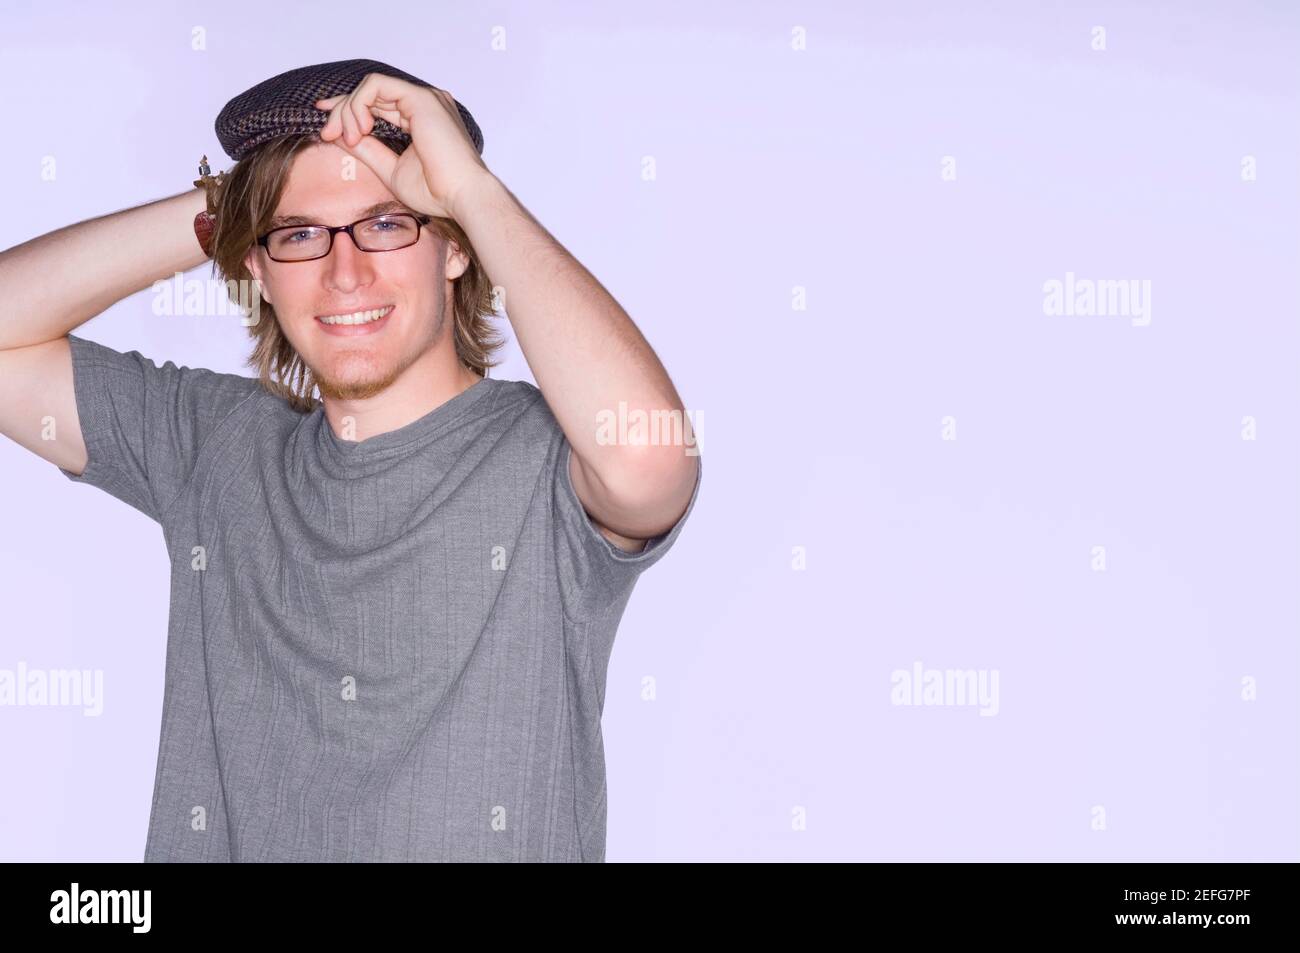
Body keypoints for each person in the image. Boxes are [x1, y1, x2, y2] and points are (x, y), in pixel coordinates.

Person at [0, 59, 701, 862]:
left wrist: (470, 191)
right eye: (301, 233)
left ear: (456, 250)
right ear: (257, 268)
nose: (345, 272)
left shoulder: (548, 459)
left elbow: (652, 458)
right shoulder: (212, 442)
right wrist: (224, 209)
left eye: (387, 222)